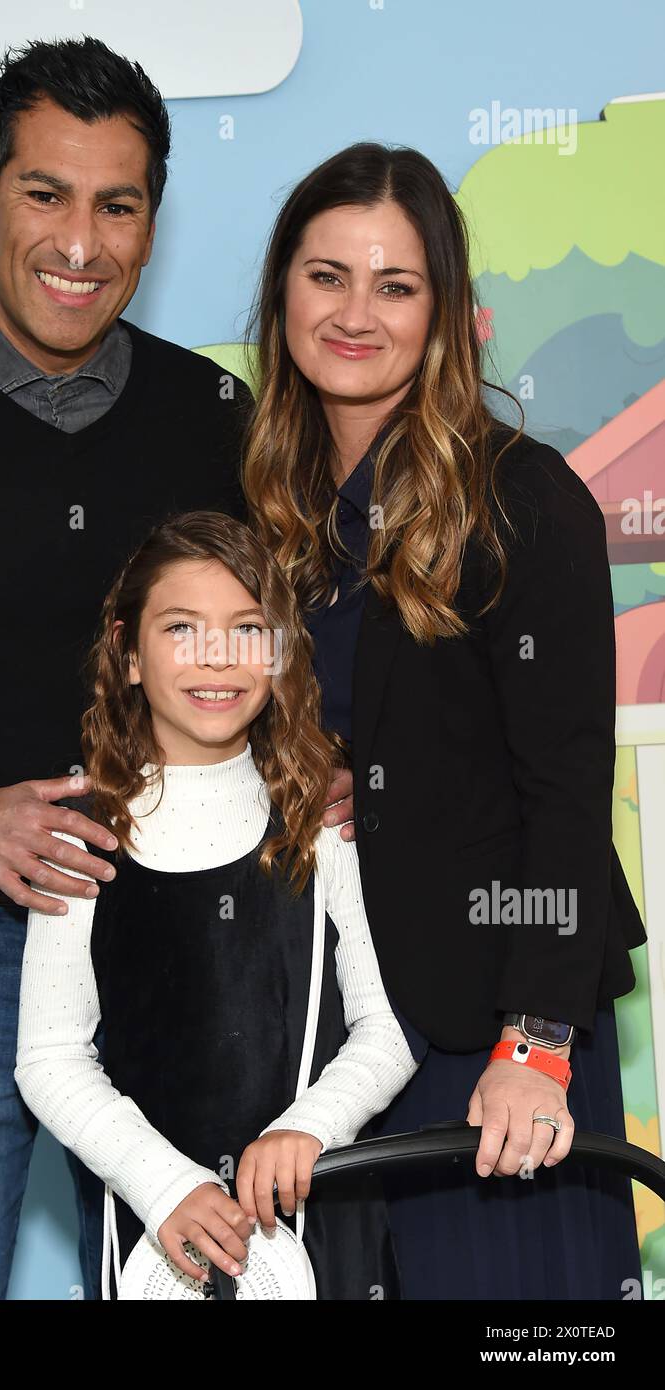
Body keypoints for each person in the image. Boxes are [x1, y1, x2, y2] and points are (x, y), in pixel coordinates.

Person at [0, 37, 358, 1301]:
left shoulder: (218, 421)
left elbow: (282, 647)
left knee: (220, 1290)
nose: (81, 242)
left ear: (154, 223)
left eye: (119, 204)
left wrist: (326, 770)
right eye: (44, 194)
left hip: (197, 941)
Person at [239, 141, 648, 1299]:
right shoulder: (263, 512)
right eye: (326, 277)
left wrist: (536, 1047)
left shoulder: (525, 499)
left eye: (395, 284)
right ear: (281, 294)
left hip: (490, 1026)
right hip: (328, 1034)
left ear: (450, 312)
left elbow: (566, 791)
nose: (354, 313)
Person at [13, 510, 418, 1299]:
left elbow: (390, 1025)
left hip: (324, 1232)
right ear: (128, 656)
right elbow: (50, 1059)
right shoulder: (83, 841)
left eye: (245, 628)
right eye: (181, 628)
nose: (216, 657)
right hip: (151, 1235)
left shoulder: (322, 824)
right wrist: (164, 1184)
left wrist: (309, 1127)